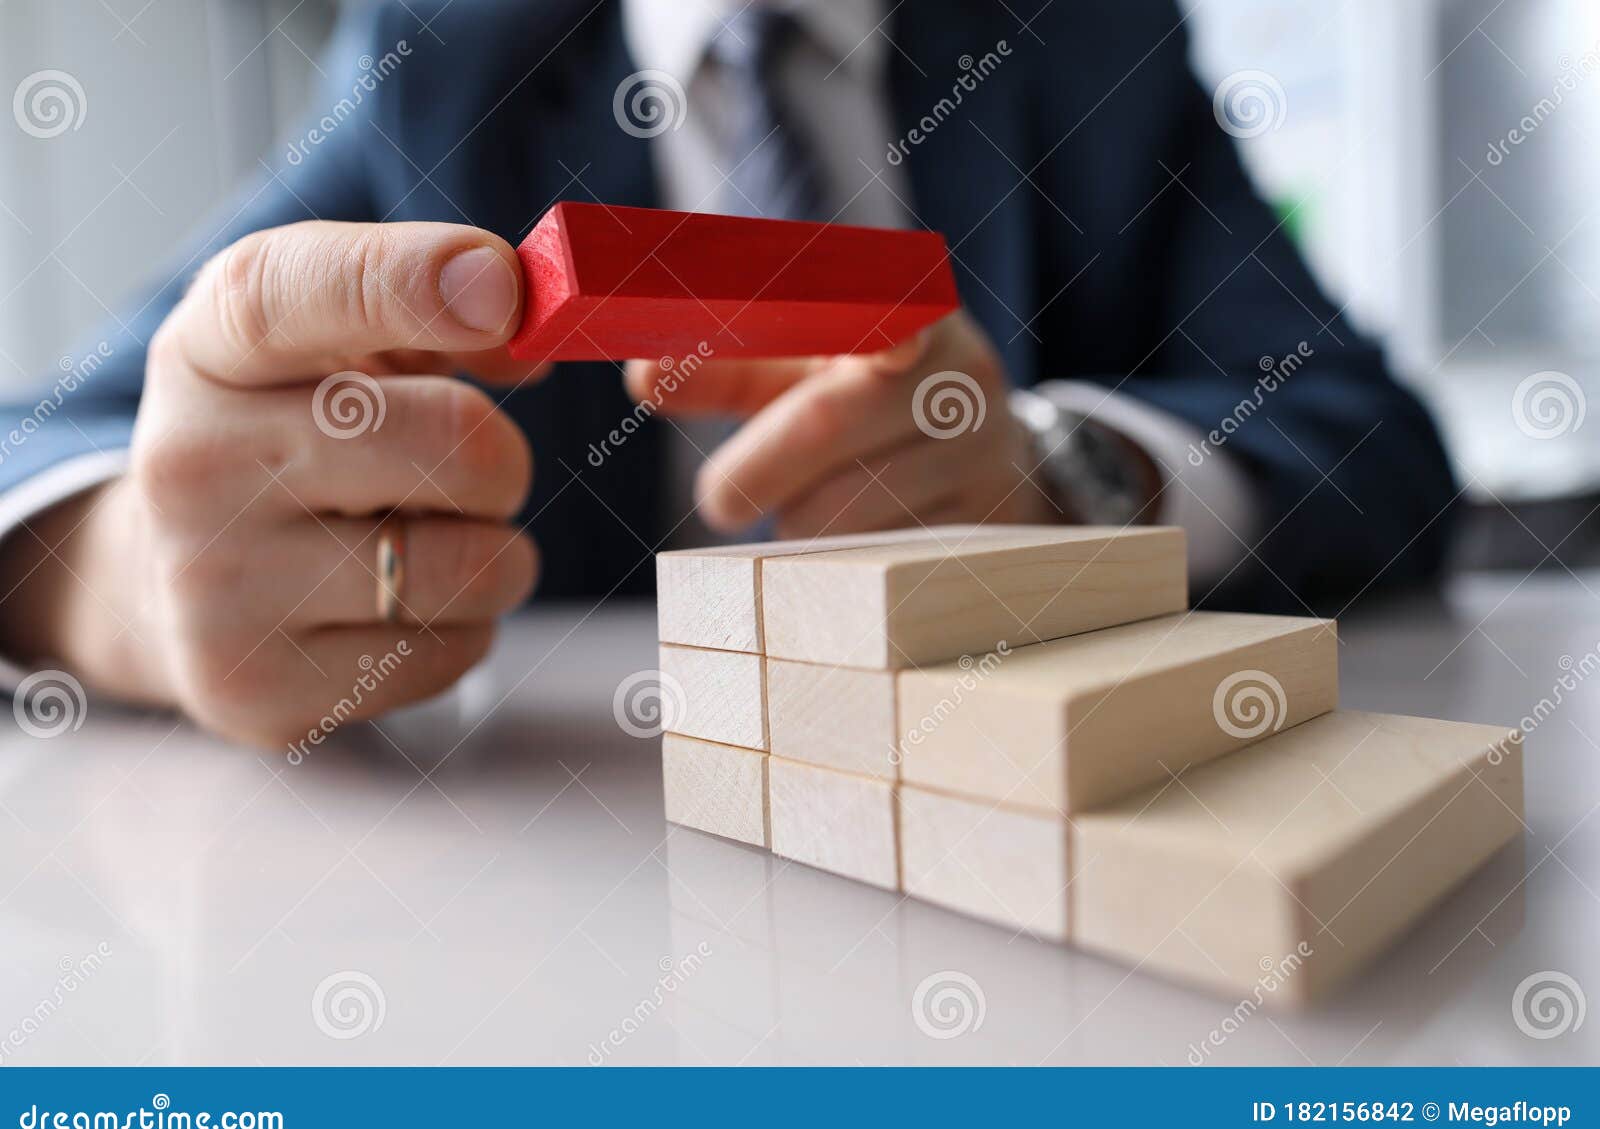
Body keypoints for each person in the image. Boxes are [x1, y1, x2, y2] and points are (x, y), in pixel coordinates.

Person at [0, 0, 1456, 746]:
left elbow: (1364, 429)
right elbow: (41, 437)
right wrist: (125, 580)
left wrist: (1059, 475)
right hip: (570, 903)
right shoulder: (445, 58)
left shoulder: (1088, 39)